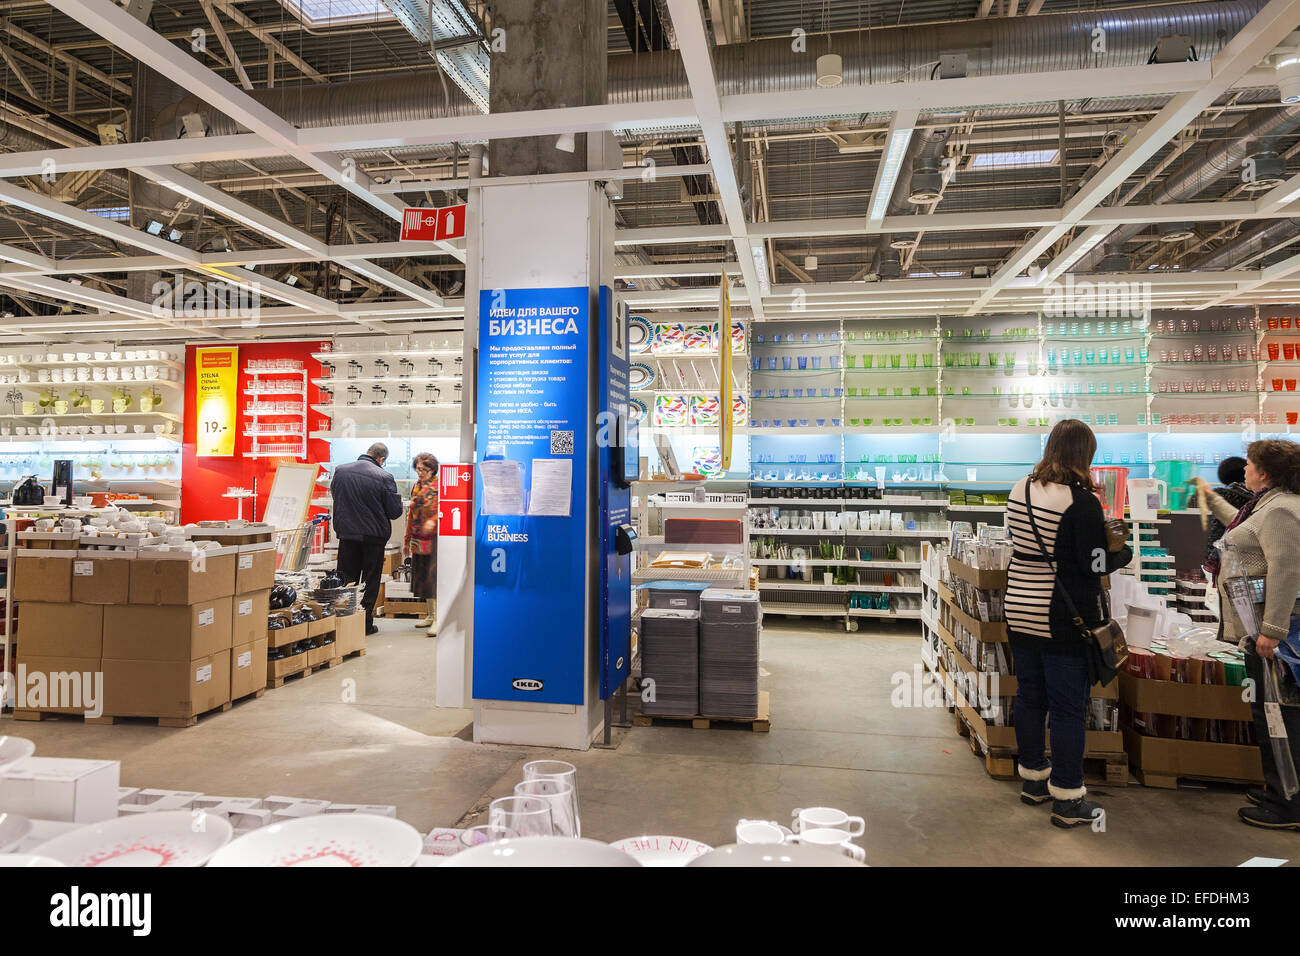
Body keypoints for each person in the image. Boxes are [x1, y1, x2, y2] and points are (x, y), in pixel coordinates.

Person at [1004, 420, 1132, 828]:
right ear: (1085, 455)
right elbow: (1090, 563)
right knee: (1067, 709)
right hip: (1062, 616)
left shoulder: (1019, 487)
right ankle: (1067, 797)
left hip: (1020, 606)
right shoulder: (1081, 501)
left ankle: (1033, 779)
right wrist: (1120, 552)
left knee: (1030, 697)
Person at [1194, 439, 1300, 830]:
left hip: (1277, 637)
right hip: (1261, 631)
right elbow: (1242, 529)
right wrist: (1210, 497)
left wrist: (1272, 631)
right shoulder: (1265, 505)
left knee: (1280, 715)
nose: (1244, 470)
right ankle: (1278, 788)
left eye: (1250, 464)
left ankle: (1288, 802)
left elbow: (1286, 571)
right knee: (1269, 711)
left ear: (1266, 472)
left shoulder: (1283, 511)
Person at [332, 442, 403, 635]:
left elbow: (335, 496)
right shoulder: (384, 477)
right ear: (381, 459)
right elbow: (394, 511)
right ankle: (365, 623)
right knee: (370, 580)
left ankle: (343, 620)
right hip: (374, 537)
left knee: (346, 578)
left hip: (347, 534)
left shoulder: (341, 471)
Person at [404, 452, 440, 636]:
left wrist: (433, 521)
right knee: (423, 578)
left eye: (424, 470)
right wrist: (407, 538)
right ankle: (430, 614)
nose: (420, 473)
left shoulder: (438, 487)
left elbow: (442, 512)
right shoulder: (416, 486)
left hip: (434, 540)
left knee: (433, 578)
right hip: (418, 538)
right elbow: (411, 513)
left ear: (432, 470)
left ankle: (438, 618)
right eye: (418, 469)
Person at [1196, 456, 1253, 569]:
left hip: (1225, 560)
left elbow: (1217, 533)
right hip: (1247, 561)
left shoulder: (1223, 495)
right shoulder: (1256, 497)